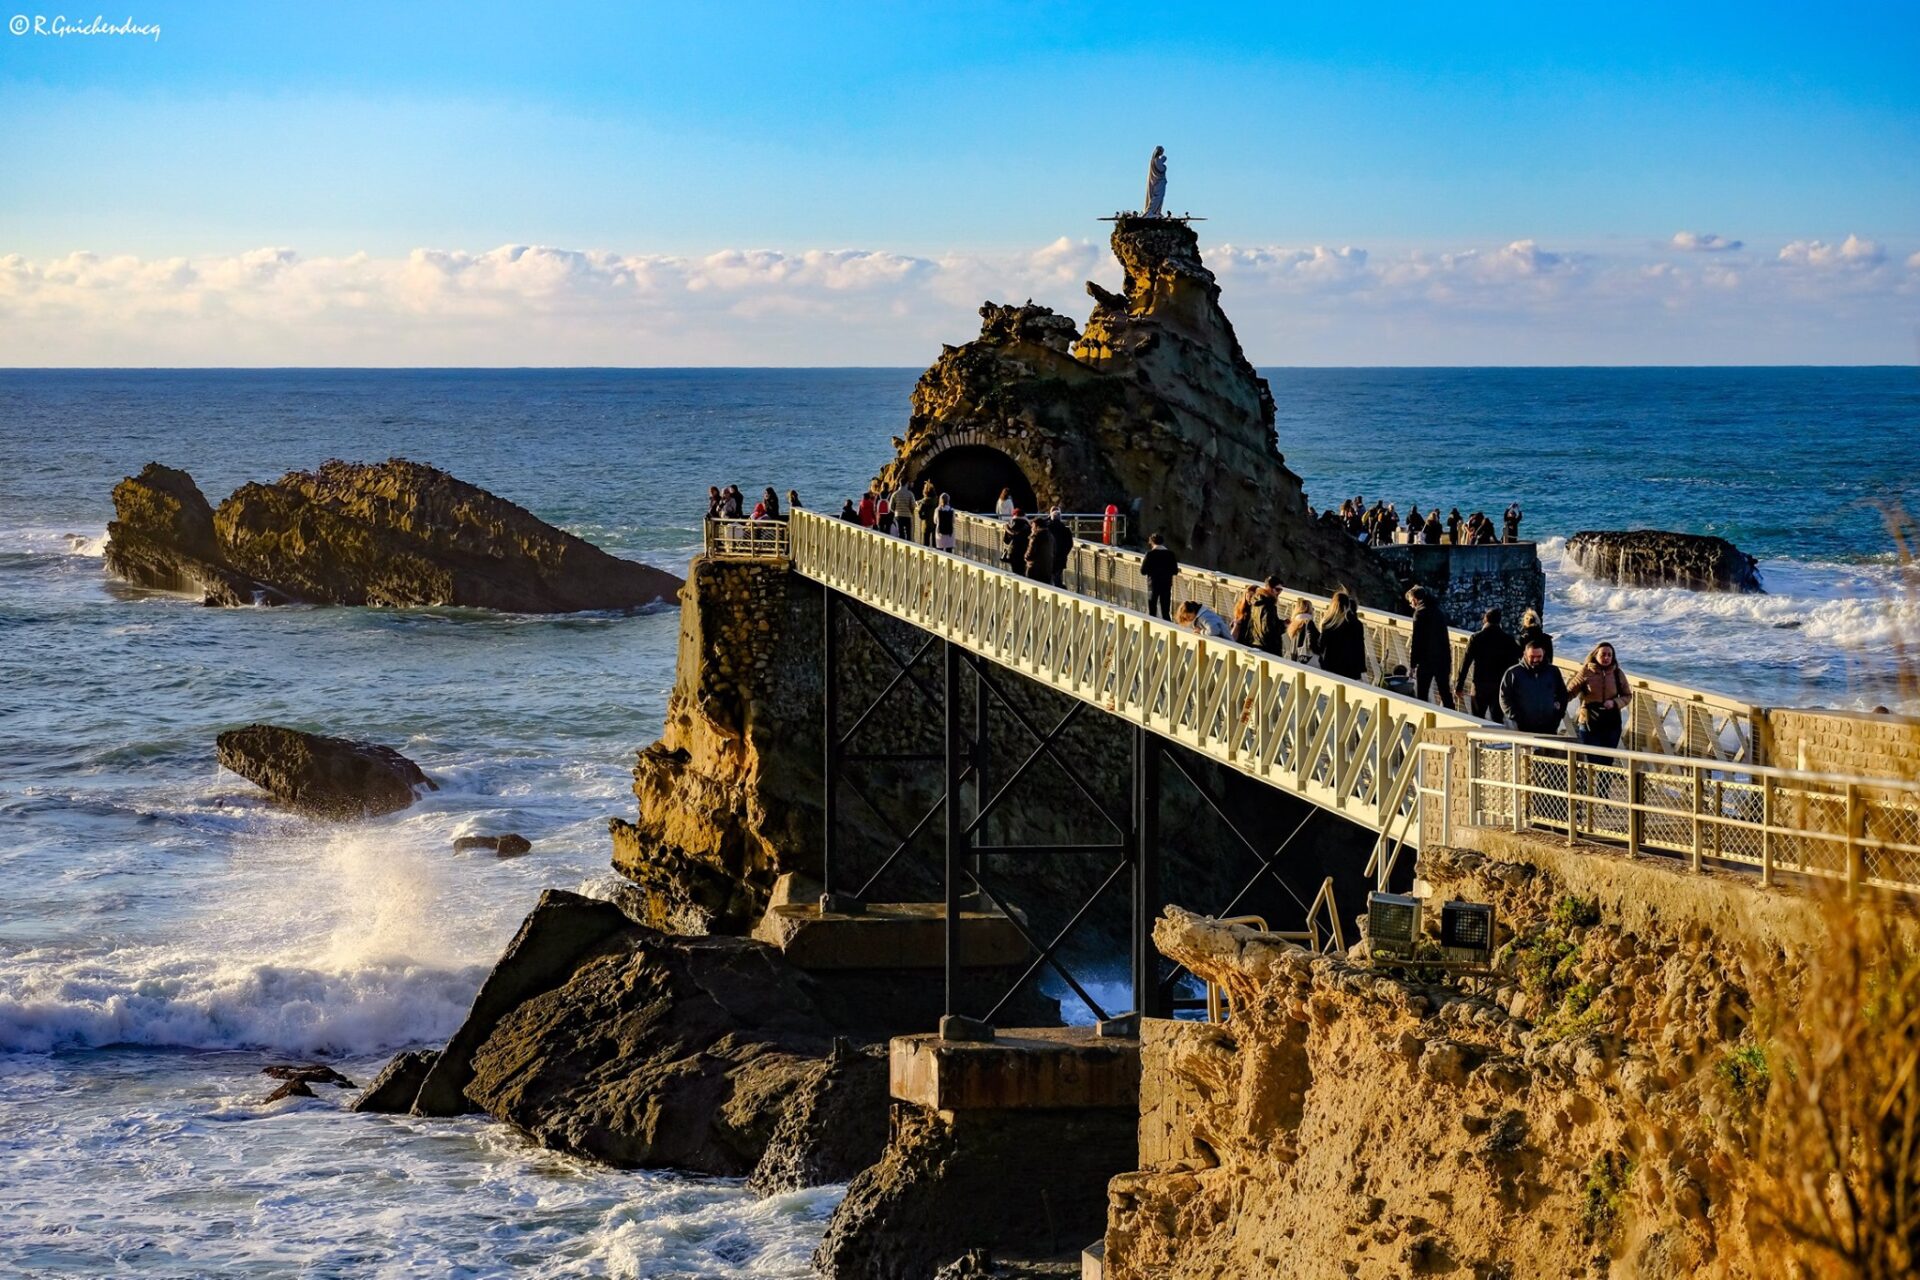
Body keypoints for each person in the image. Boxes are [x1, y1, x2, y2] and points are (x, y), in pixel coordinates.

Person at [1455, 608, 1522, 720]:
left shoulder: (1476, 638)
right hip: (1499, 686)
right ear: (1500, 621)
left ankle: (1478, 738)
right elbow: (1516, 663)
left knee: (1477, 719)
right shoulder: (1508, 640)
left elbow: (1465, 663)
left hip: (1479, 685)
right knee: (1497, 720)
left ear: (1485, 620)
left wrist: (1459, 685)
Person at [1567, 641, 1632, 749]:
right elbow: (1570, 692)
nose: (1606, 657)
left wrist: (1614, 702)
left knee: (1607, 761)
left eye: (1609, 655)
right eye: (1603, 654)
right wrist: (1556, 702)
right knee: (1593, 759)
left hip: (1611, 723)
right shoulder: (1586, 671)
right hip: (1589, 721)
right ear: (1595, 655)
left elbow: (1627, 695)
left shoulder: (1617, 673)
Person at [1500, 640, 1569, 734]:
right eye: (1532, 657)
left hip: (1549, 727)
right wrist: (1515, 716)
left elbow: (1563, 695)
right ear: (1525, 654)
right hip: (1522, 727)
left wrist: (1559, 715)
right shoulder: (1513, 673)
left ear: (1544, 654)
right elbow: (1504, 697)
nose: (1536, 660)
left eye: (1539, 657)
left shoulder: (1553, 671)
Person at [1405, 586, 1456, 709]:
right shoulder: (1439, 611)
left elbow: (1417, 641)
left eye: (1411, 602)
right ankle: (1453, 720)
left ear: (1415, 599)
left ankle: (1423, 722)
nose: (1411, 605)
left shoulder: (1420, 613)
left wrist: (1412, 664)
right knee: (1445, 693)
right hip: (1443, 659)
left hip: (1426, 661)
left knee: (1422, 694)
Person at [1316, 588, 1367, 679]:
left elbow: (1321, 647)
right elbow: (1360, 647)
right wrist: (1362, 668)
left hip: (1331, 667)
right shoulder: (1356, 624)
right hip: (1351, 669)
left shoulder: (1328, 623)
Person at [1141, 534, 1179, 620]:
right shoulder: (1170, 554)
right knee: (1165, 611)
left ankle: (1152, 629)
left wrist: (1152, 571)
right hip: (1166, 584)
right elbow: (1175, 571)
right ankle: (1168, 628)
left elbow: (1143, 571)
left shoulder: (1150, 554)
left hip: (1153, 584)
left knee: (1152, 610)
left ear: (1151, 542)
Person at [1247, 576, 1283, 654]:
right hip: (1268, 648)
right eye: (1277, 590)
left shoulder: (1256, 602)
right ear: (1269, 588)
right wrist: (1284, 625)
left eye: (1281, 590)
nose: (1279, 593)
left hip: (1255, 643)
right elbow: (1268, 629)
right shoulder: (1269, 605)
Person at [1284, 596, 1319, 664]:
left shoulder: (1293, 626)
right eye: (1312, 609)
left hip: (1294, 658)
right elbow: (1312, 643)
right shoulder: (1309, 623)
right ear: (1309, 610)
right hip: (1307, 661)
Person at [1023, 511, 1054, 583]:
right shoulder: (1050, 536)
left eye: (1032, 526)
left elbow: (1030, 554)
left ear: (1036, 526)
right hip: (1047, 568)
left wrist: (1026, 557)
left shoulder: (1035, 536)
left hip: (1034, 569)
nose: (1031, 529)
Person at [1046, 508, 1073, 588]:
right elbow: (1069, 544)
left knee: (1048, 578)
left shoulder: (1047, 529)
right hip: (1061, 559)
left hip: (1049, 558)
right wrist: (1064, 554)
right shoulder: (1066, 530)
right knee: (1057, 577)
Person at [1003, 508, 1031, 572]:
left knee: (1015, 571)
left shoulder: (1009, 525)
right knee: (1023, 572)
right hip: (1024, 552)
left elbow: (1006, 541)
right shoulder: (1028, 526)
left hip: (1012, 553)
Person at [916, 482, 938, 548]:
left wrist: (922, 517)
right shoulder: (936, 500)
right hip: (935, 523)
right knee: (935, 543)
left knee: (926, 543)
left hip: (926, 523)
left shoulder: (925, 502)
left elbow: (920, 511)